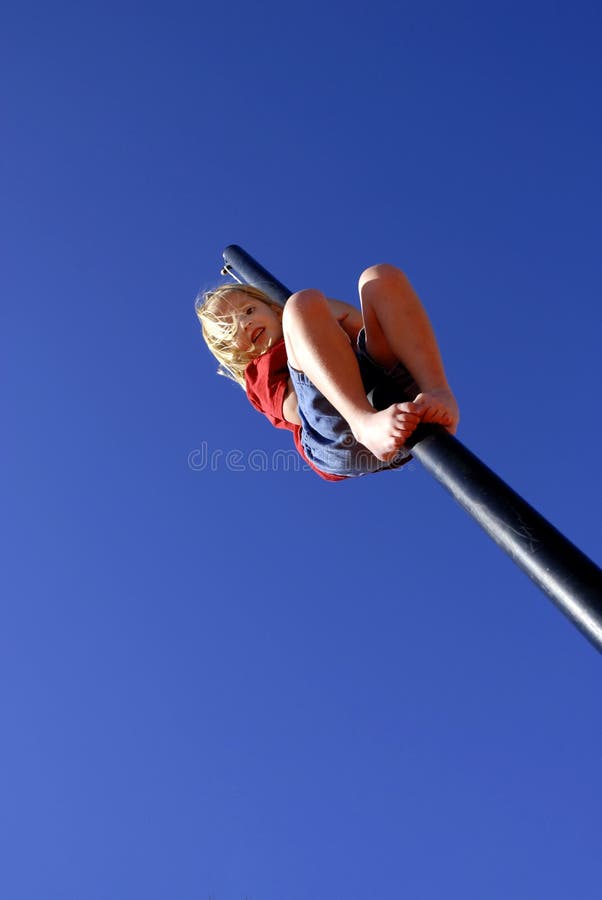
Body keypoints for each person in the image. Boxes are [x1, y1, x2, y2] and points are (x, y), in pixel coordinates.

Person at [195, 263, 459, 482]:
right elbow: (297, 410)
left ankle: (437, 391)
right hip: (339, 435)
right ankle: (363, 422)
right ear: (234, 353)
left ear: (274, 311)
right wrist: (306, 327)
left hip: (394, 397)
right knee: (301, 304)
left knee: (379, 277)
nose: (244, 322)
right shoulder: (259, 370)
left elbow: (360, 327)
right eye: (231, 328)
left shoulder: (303, 318)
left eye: (249, 310)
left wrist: (320, 317)